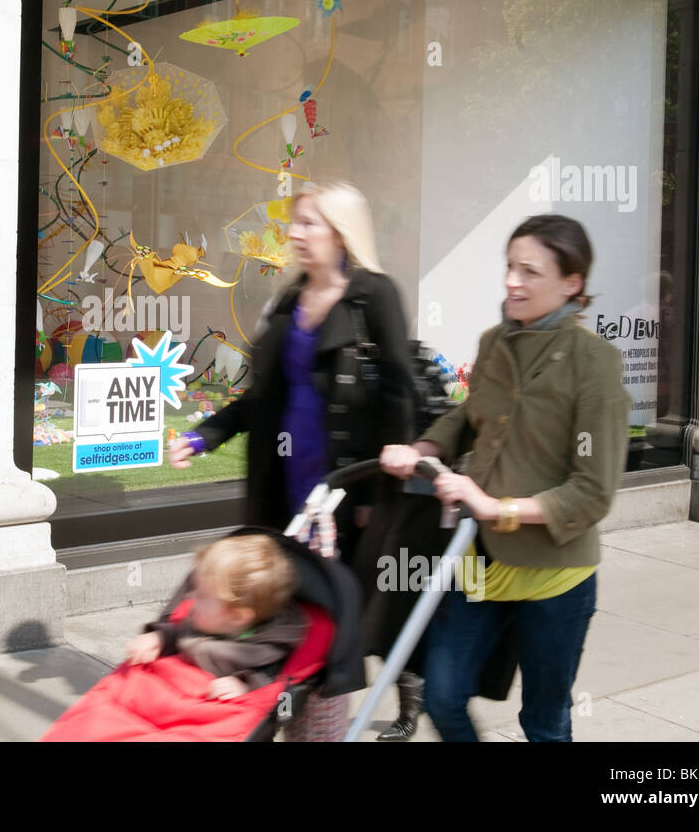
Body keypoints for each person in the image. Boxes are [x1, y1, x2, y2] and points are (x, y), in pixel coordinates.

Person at [169, 180, 419, 737]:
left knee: (323, 626)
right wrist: (206, 434)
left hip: (342, 493)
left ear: (342, 232)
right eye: (296, 222)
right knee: (275, 612)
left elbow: (399, 396)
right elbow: (263, 397)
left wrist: (375, 497)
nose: (296, 233)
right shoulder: (288, 299)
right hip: (280, 487)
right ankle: (276, 714)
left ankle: (322, 726)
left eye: (310, 222)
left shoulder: (374, 296)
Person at [379, 214, 630, 742]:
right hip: (481, 562)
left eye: (530, 271)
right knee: (443, 697)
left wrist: (498, 507)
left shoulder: (595, 363)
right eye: (510, 267)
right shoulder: (496, 342)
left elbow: (594, 491)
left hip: (556, 575)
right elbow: (470, 415)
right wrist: (424, 447)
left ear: (573, 283)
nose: (512, 281)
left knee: (544, 722)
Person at [125, 535, 307, 699]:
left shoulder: (266, 651)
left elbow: (270, 679)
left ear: (237, 617)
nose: (190, 597)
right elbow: (181, 633)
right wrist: (159, 637)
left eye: (202, 595)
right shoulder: (207, 620)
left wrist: (244, 684)